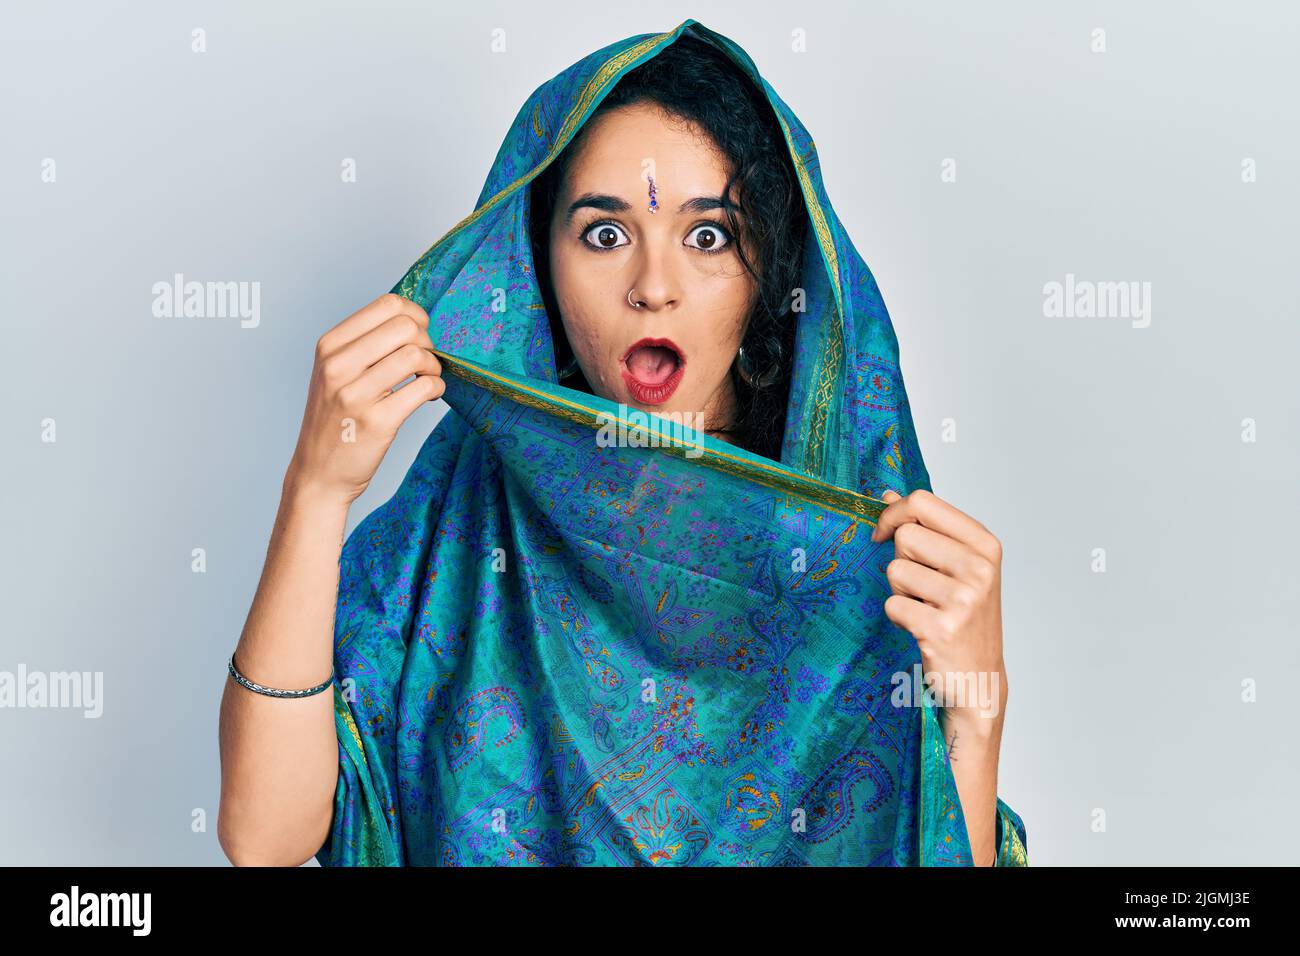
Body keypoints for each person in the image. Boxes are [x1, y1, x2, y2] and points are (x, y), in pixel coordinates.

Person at [217, 18, 1028, 867]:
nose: (653, 288)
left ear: (769, 277)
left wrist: (976, 708)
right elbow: (266, 835)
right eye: (605, 234)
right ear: (538, 266)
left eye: (708, 235)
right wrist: (314, 491)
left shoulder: (856, 557)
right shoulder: (458, 515)